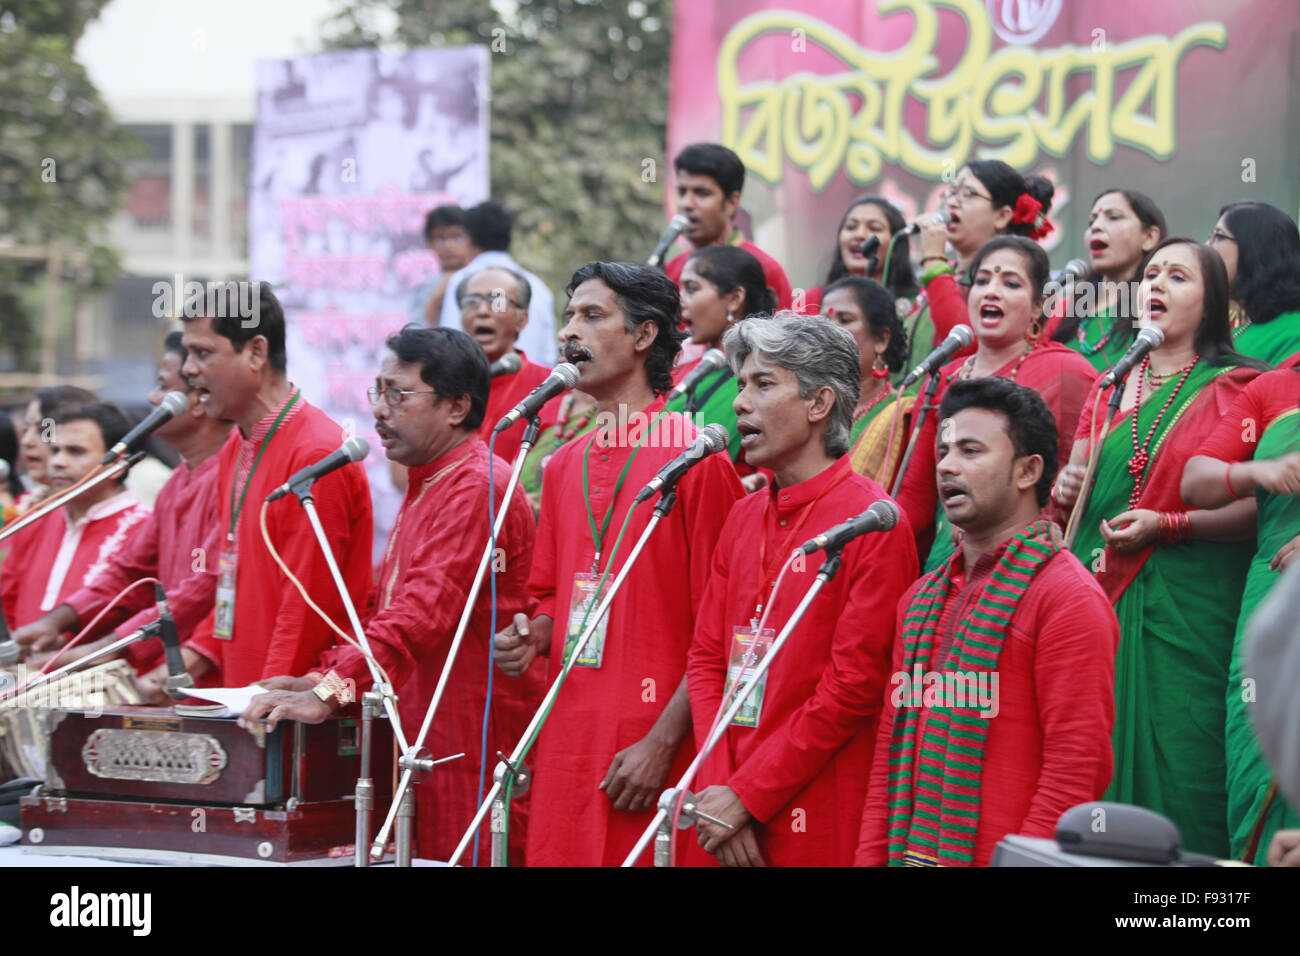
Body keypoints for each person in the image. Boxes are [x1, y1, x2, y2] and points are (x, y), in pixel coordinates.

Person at [240, 326, 543, 865]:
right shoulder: (430, 480)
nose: (380, 410)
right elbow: (385, 611)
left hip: (472, 743)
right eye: (377, 392)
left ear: (456, 407)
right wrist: (320, 675)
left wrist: (332, 689)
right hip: (425, 737)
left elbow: (421, 614)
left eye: (398, 394)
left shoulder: (477, 484)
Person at [494, 262, 743, 866]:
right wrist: (533, 635)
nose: (568, 333)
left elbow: (727, 626)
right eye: (569, 316)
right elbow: (552, 597)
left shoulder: (695, 460)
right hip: (568, 743)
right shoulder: (560, 465)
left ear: (643, 336)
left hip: (654, 750)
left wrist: (661, 742)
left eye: (592, 315)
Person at [1053, 237, 1264, 858]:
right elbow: (1078, 499)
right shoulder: (1109, 387)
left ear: (1214, 302)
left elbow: (1264, 507)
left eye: (1178, 275)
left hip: (1189, 613)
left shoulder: (1241, 387)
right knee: (1097, 759)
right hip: (1101, 603)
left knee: (1185, 757)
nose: (1157, 285)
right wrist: (1067, 488)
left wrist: (1167, 526)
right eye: (1150, 274)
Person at [686, 313, 918, 866]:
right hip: (721, 811)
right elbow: (705, 660)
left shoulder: (872, 520)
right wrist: (721, 790)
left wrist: (750, 795)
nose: (740, 403)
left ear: (819, 405)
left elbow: (852, 688)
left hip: (814, 805)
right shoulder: (743, 516)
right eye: (741, 385)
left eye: (763, 384)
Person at [856, 377, 1117, 867]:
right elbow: (887, 765)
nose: (948, 465)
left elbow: (1074, 773)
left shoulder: (1067, 599)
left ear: (1028, 471)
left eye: (971, 451)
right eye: (944, 451)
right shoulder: (920, 601)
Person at [177, 282, 374, 687]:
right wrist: (196, 654)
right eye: (188, 354)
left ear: (256, 352)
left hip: (292, 710)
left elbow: (305, 604)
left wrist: (266, 701)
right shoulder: (237, 444)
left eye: (203, 353)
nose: (187, 369)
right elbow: (234, 577)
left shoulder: (317, 452)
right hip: (246, 697)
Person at [9, 333, 230, 684]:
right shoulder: (178, 482)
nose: (150, 398)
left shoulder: (231, 478)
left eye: (161, 386)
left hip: (208, 684)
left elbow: (203, 586)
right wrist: (53, 623)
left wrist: (109, 646)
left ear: (200, 397)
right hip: (166, 682)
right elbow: (129, 573)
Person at [895, 237, 1097, 569]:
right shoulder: (941, 379)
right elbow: (915, 499)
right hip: (947, 564)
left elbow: (1086, 479)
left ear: (1038, 305)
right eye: (983, 281)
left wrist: (1069, 489)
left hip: (1028, 563)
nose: (992, 291)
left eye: (1011, 283)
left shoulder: (1067, 372)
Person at [1181, 367, 1300, 863]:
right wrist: (1255, 472)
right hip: (1273, 597)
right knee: (1255, 765)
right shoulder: (1274, 389)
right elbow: (1196, 480)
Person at [0, 403, 150, 632]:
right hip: (21, 665)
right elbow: (7, 599)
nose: (58, 462)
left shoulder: (144, 529)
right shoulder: (34, 519)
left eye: (75, 451)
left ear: (118, 465)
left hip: (102, 667)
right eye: (54, 451)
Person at [670, 244, 777, 462]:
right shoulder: (681, 375)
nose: (680, 302)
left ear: (734, 299)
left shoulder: (770, 381)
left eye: (691, 289)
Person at [1047, 189, 1167, 372]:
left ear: (1149, 237)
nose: (1096, 227)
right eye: (1091, 221)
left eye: (1114, 217)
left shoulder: (1156, 308)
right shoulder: (1065, 307)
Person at [663, 144, 793, 311]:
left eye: (702, 193)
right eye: (682, 192)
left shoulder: (766, 270)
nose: (687, 204)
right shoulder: (669, 271)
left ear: (732, 202)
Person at [458, 265, 562, 465]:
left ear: (522, 319)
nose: (482, 311)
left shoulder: (552, 387)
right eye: (471, 302)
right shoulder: (439, 382)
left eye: (497, 302)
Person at [436, 200, 559, 366]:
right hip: (536, 388)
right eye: (475, 302)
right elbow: (548, 355)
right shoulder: (539, 287)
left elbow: (450, 344)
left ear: (470, 238)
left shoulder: (463, 282)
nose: (483, 312)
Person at [822, 277, 914, 491]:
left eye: (845, 320)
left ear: (881, 340)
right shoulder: (805, 406)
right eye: (824, 321)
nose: (829, 332)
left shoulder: (903, 412)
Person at [1209, 201, 1300, 367]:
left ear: (1256, 249)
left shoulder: (1293, 332)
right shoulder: (1207, 319)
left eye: (1219, 236)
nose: (1207, 246)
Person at [12, 385, 97, 514]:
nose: (26, 441)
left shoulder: (97, 513)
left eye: (44, 429)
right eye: (26, 429)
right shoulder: (25, 506)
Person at [414, 204, 474, 325]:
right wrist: (436, 298)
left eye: (457, 237)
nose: (448, 246)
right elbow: (419, 332)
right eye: (440, 239)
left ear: (472, 239)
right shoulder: (425, 288)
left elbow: (501, 316)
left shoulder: (490, 278)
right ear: (429, 243)